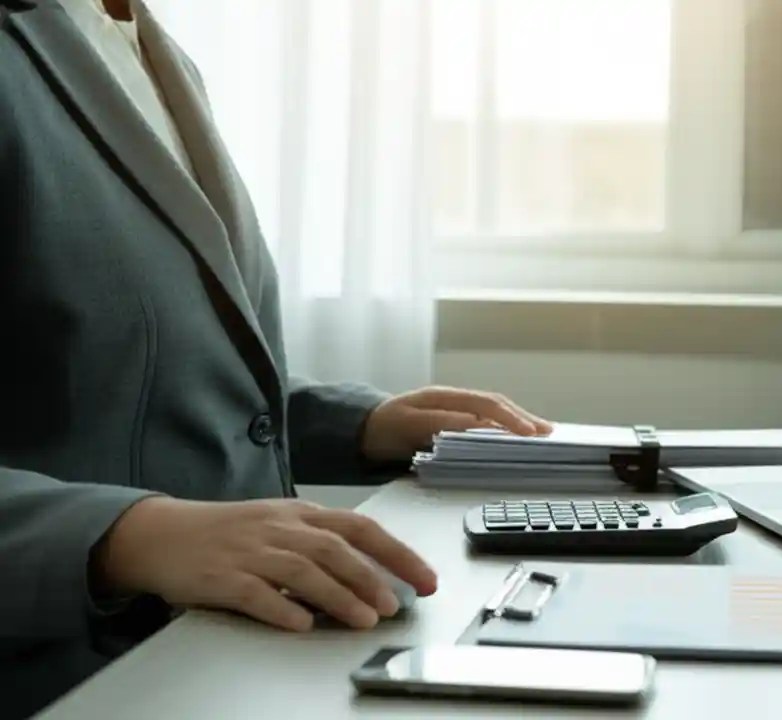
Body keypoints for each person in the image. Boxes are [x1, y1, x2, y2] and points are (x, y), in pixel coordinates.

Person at [0, 0, 552, 714]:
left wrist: (359, 424)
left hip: (217, 666)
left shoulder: (145, 49)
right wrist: (130, 539)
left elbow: (115, 375)